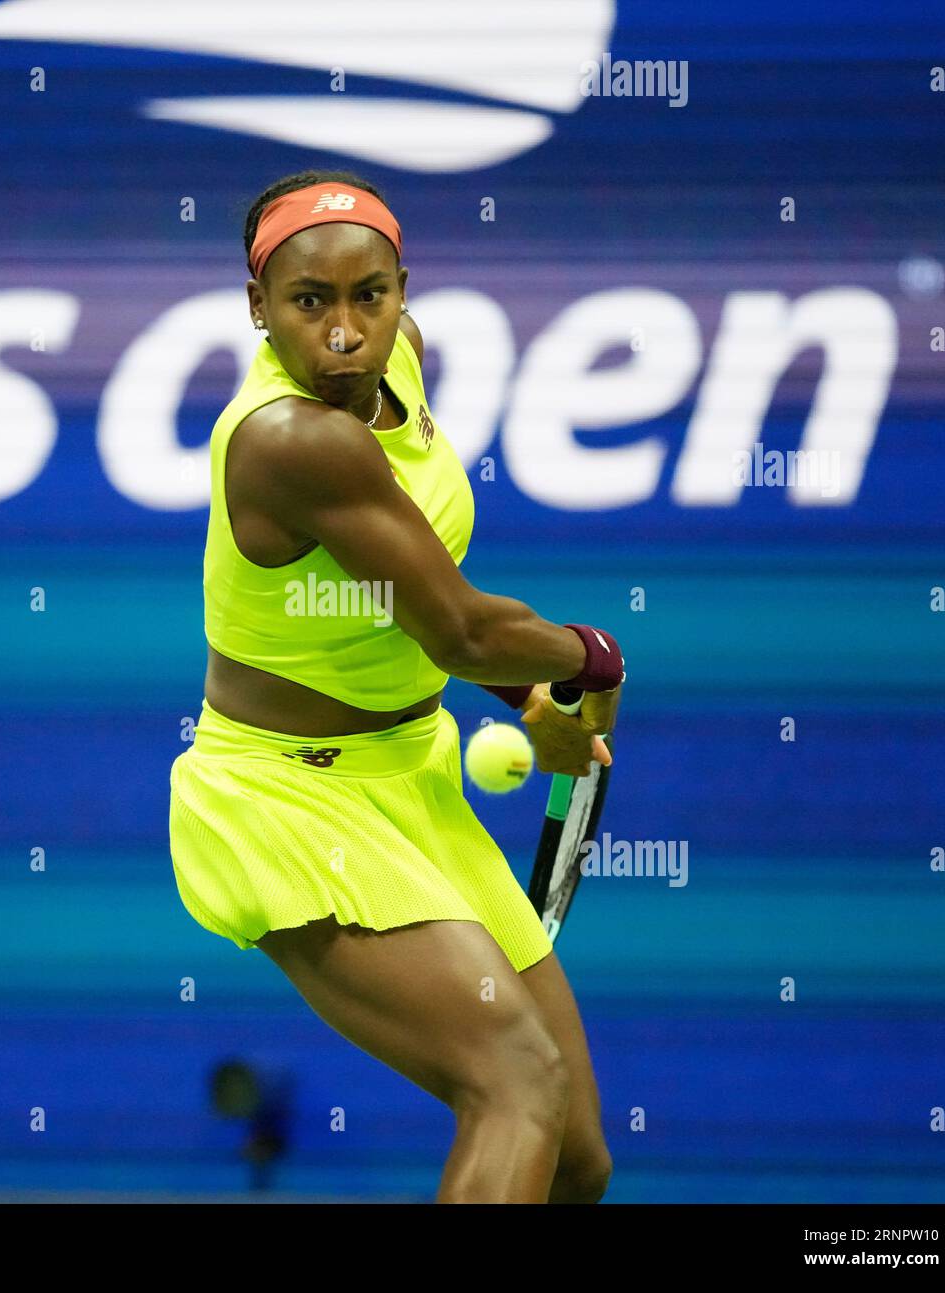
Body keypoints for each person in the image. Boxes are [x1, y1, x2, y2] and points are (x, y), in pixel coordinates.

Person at [169, 168, 624, 1203]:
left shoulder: (399, 370)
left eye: (367, 297)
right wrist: (592, 658)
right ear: (257, 308)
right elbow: (461, 628)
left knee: (578, 1160)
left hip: (411, 781)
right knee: (514, 1085)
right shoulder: (294, 441)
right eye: (308, 302)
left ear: (402, 293)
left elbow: (411, 598)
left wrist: (529, 704)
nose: (342, 332)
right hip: (286, 800)